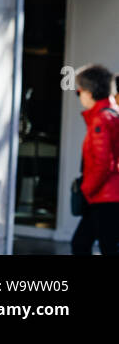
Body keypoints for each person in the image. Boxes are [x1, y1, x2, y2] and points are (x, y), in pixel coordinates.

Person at [71, 63, 119, 256]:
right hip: (107, 196)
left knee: (87, 245)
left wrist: (85, 190)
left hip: (105, 197)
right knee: (84, 244)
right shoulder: (112, 114)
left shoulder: (101, 120)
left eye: (78, 91)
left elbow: (102, 164)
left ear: (88, 92)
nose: (79, 95)